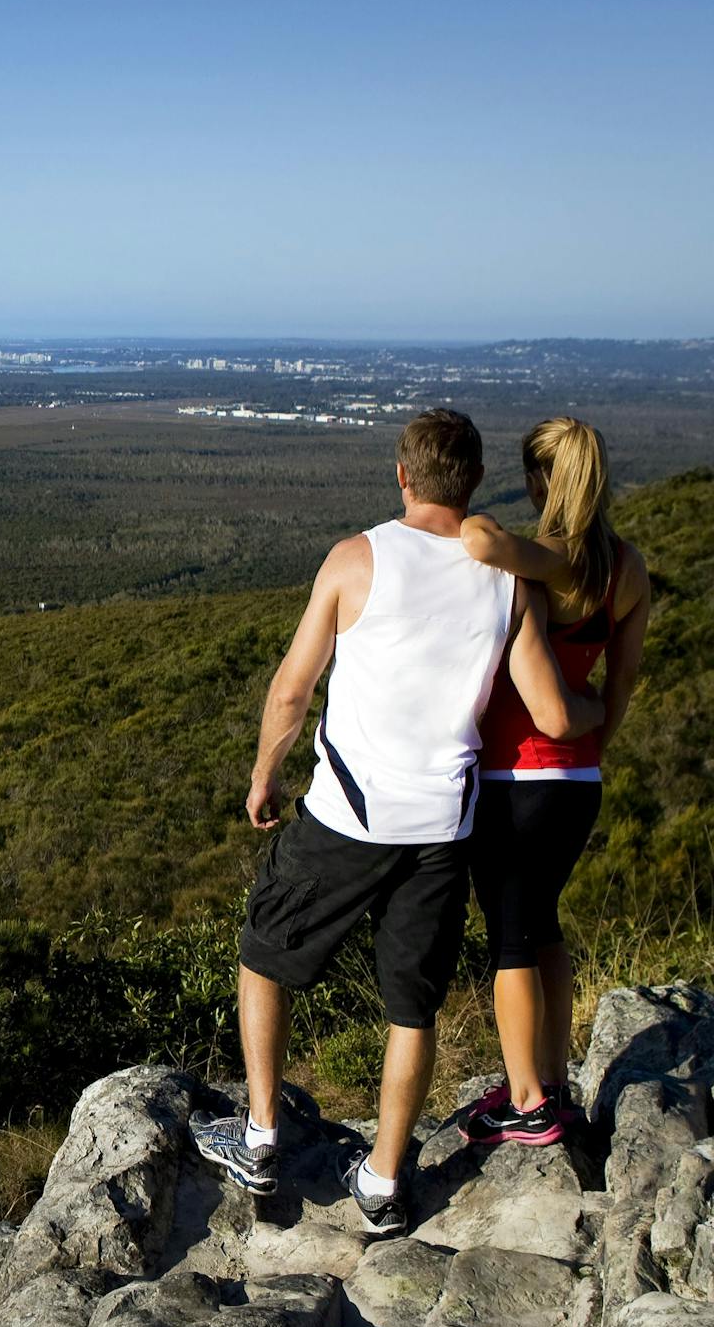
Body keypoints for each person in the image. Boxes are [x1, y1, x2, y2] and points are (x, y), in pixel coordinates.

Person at [190, 409, 603, 1235]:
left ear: (403, 476)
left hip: (348, 813)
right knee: (410, 1008)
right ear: (473, 482)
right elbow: (546, 701)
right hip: (443, 828)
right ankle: (382, 1181)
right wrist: (606, 705)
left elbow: (292, 688)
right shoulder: (510, 583)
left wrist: (265, 775)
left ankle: (261, 1136)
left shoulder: (356, 558)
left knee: (264, 955)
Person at [456, 418, 650, 1147]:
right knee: (544, 926)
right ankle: (553, 1081)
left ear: (543, 480)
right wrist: (594, 735)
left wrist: (503, 534)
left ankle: (527, 1101)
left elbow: (478, 540)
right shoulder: (628, 568)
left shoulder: (548, 562)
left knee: (509, 936)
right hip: (578, 780)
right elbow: (620, 684)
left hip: (515, 779)